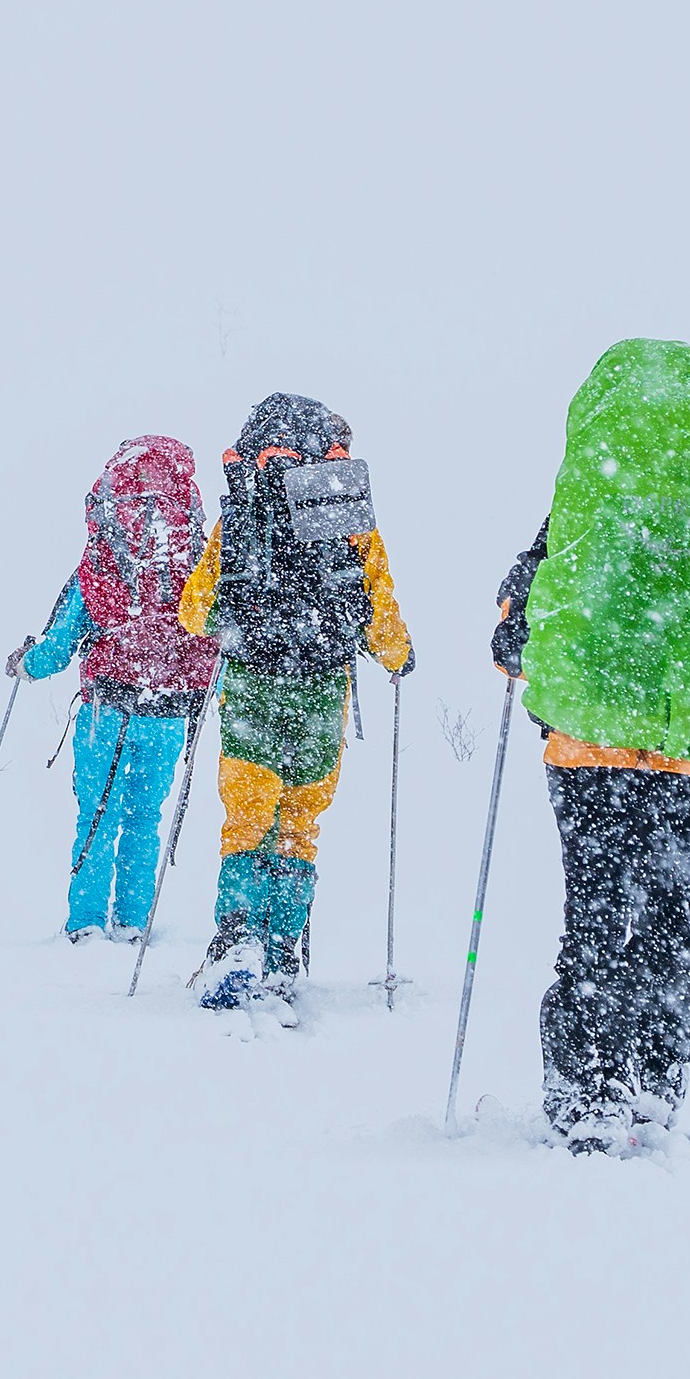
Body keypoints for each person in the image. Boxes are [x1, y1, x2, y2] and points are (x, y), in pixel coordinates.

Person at [489, 341, 690, 1151]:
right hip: (686, 766)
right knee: (669, 912)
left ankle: (589, 1090)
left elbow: (513, 637)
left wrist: (537, 652)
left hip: (588, 758)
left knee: (595, 915)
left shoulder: (583, 524)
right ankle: (658, 1078)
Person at [175, 393, 414, 1006]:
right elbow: (377, 600)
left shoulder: (244, 507)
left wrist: (243, 624)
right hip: (323, 683)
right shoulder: (347, 513)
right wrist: (396, 654)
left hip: (253, 680)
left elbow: (195, 608)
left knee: (247, 815)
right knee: (299, 820)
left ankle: (236, 937)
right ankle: (283, 947)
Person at [10, 436, 218, 943]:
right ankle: (133, 921)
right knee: (144, 819)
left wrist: (25, 665)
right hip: (169, 711)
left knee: (97, 814)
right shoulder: (194, 560)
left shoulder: (103, 561)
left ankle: (84, 924)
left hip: (108, 707)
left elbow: (59, 648)